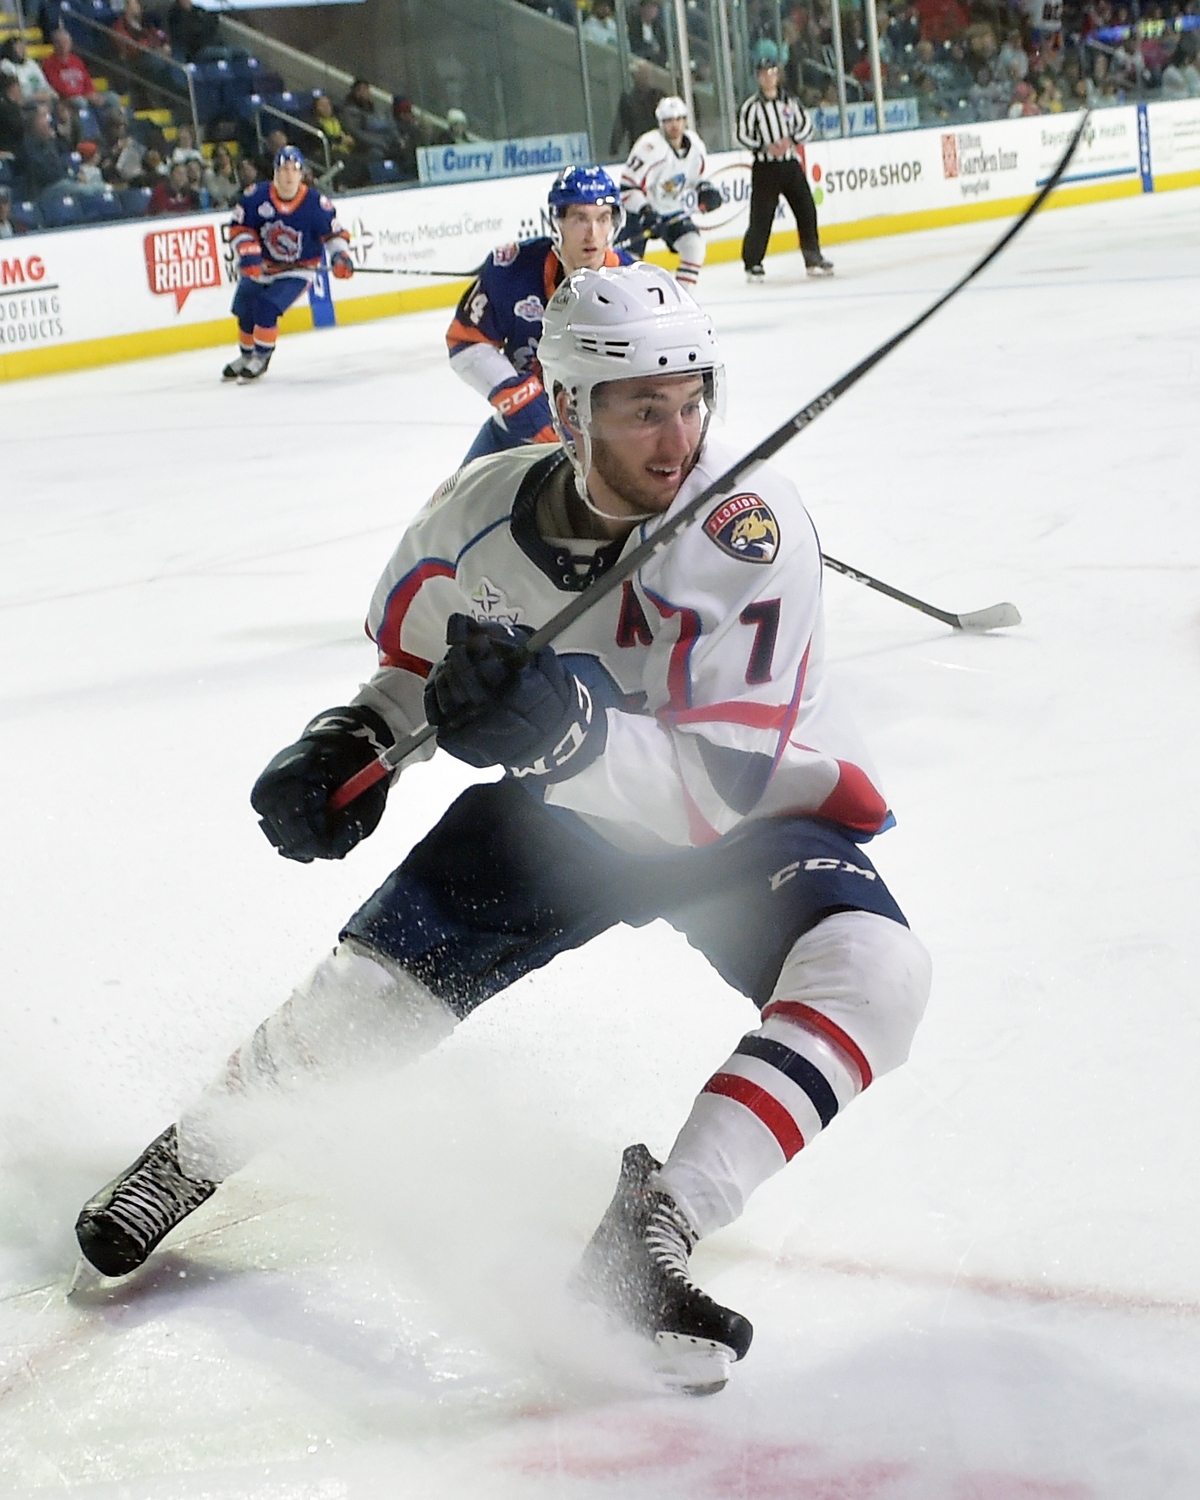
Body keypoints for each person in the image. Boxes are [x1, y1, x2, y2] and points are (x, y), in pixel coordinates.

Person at [74, 261, 931, 1396]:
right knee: (365, 1003)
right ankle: (189, 1156)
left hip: (741, 823)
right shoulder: (472, 517)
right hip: (560, 816)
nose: (677, 440)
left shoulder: (743, 532)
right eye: (642, 409)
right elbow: (411, 663)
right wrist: (350, 744)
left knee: (877, 973)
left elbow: (711, 796)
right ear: (568, 408)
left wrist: (565, 733)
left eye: (693, 401)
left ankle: (653, 1234)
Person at [446, 164, 633, 465]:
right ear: (557, 221)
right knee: (455, 495)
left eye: (603, 218)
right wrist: (518, 397)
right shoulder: (512, 270)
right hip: (522, 431)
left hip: (604, 438)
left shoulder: (634, 284)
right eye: (579, 218)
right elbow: (465, 340)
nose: (593, 233)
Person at [222, 144, 353, 381]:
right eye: (283, 169)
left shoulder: (315, 204)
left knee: (266, 308)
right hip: (263, 267)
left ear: (302, 173)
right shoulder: (256, 197)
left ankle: (261, 357)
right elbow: (239, 227)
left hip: (297, 271)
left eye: (294, 169)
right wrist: (248, 253)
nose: (289, 175)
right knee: (245, 309)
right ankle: (246, 355)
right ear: (275, 172)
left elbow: (334, 234)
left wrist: (340, 256)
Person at [736, 52, 833, 282]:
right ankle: (753, 263)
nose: (768, 78)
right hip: (765, 168)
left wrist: (791, 141)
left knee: (806, 209)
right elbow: (741, 135)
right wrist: (765, 147)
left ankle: (812, 256)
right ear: (758, 78)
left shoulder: (790, 102)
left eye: (771, 73)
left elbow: (806, 126)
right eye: (763, 74)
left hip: (790, 164)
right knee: (762, 216)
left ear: (778, 75)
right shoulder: (751, 107)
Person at [617, 95, 721, 290]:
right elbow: (626, 188)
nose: (674, 125)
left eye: (679, 119)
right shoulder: (648, 146)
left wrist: (706, 191)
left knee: (694, 248)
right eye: (669, 120)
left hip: (672, 211)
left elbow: (697, 178)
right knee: (626, 266)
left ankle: (681, 299)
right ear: (660, 122)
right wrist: (646, 211)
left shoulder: (695, 145)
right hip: (639, 213)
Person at [610, 59, 664, 155]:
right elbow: (620, 127)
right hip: (638, 148)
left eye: (647, 74)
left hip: (659, 147)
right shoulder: (628, 100)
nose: (647, 77)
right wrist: (614, 149)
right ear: (635, 77)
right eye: (643, 74)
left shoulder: (659, 96)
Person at [1, 36, 56, 108]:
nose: (22, 50)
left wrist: (51, 94)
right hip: (25, 102)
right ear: (11, 50)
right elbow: (16, 91)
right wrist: (35, 97)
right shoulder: (6, 65)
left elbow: (43, 83)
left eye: (23, 46)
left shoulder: (31, 63)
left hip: (42, 98)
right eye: (18, 47)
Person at [201, 141, 239, 208]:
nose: (224, 158)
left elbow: (234, 193)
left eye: (226, 155)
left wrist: (228, 177)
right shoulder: (209, 174)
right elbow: (215, 195)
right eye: (220, 156)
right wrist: (222, 178)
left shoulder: (236, 173)